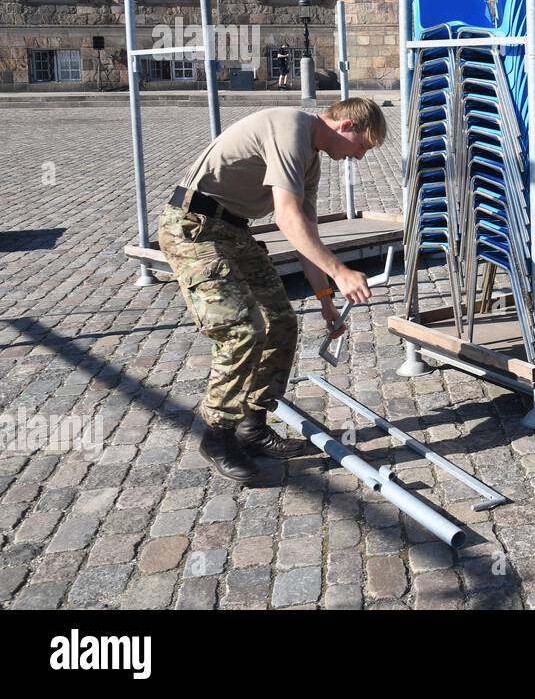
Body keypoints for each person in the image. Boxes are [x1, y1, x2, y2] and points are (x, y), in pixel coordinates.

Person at [157, 98, 388, 481]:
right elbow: (286, 217)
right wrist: (343, 271)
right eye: (361, 146)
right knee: (241, 329)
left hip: (232, 231)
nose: (358, 157)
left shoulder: (309, 159)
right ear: (345, 125)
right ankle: (217, 437)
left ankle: (252, 426)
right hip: (193, 229)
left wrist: (326, 298)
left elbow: (305, 235)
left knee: (281, 321)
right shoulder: (290, 127)